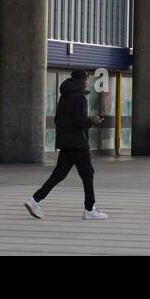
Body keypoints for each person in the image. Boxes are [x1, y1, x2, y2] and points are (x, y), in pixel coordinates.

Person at [26, 70, 106, 220]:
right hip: (78, 142)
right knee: (88, 173)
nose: (87, 82)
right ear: (82, 79)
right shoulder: (80, 97)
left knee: (59, 174)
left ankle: (34, 200)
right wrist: (92, 121)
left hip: (66, 142)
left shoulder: (64, 96)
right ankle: (90, 209)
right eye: (87, 80)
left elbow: (59, 120)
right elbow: (79, 121)